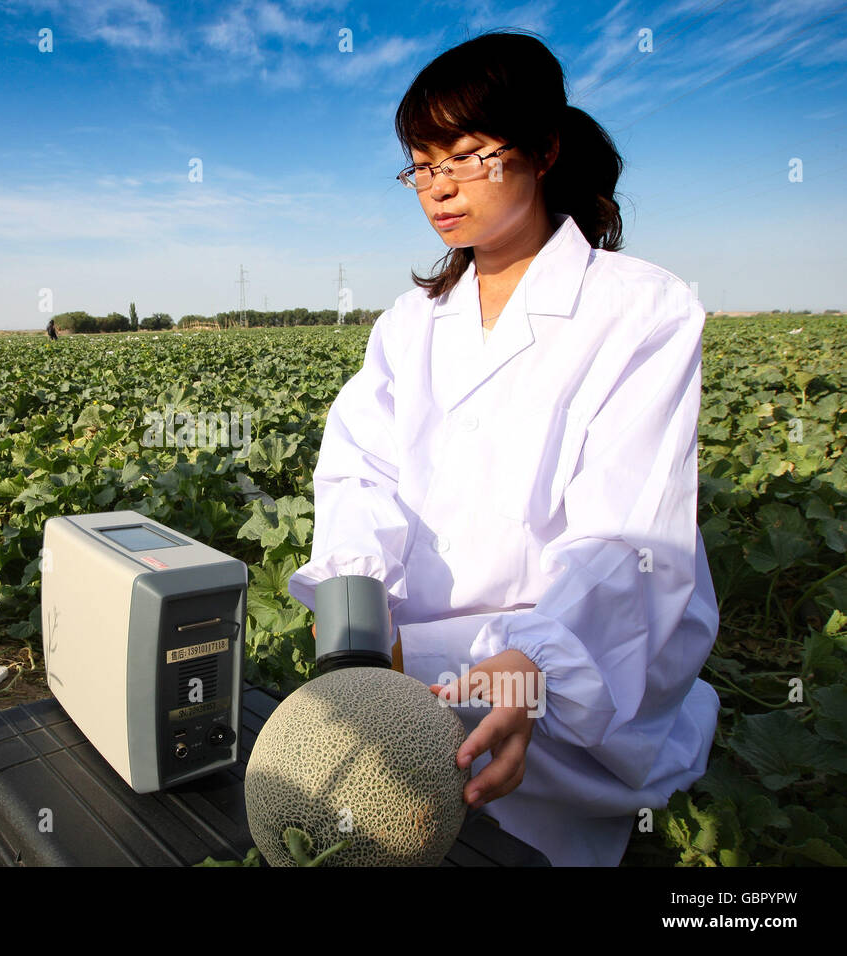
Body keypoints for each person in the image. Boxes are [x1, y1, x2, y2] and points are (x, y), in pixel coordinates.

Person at [287, 30, 720, 867]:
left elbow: (628, 541)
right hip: (405, 670)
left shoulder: (641, 311)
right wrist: (354, 645)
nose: (440, 187)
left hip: (559, 688)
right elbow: (357, 476)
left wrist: (531, 670)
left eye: (469, 155)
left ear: (545, 150)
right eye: (421, 164)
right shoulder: (407, 327)